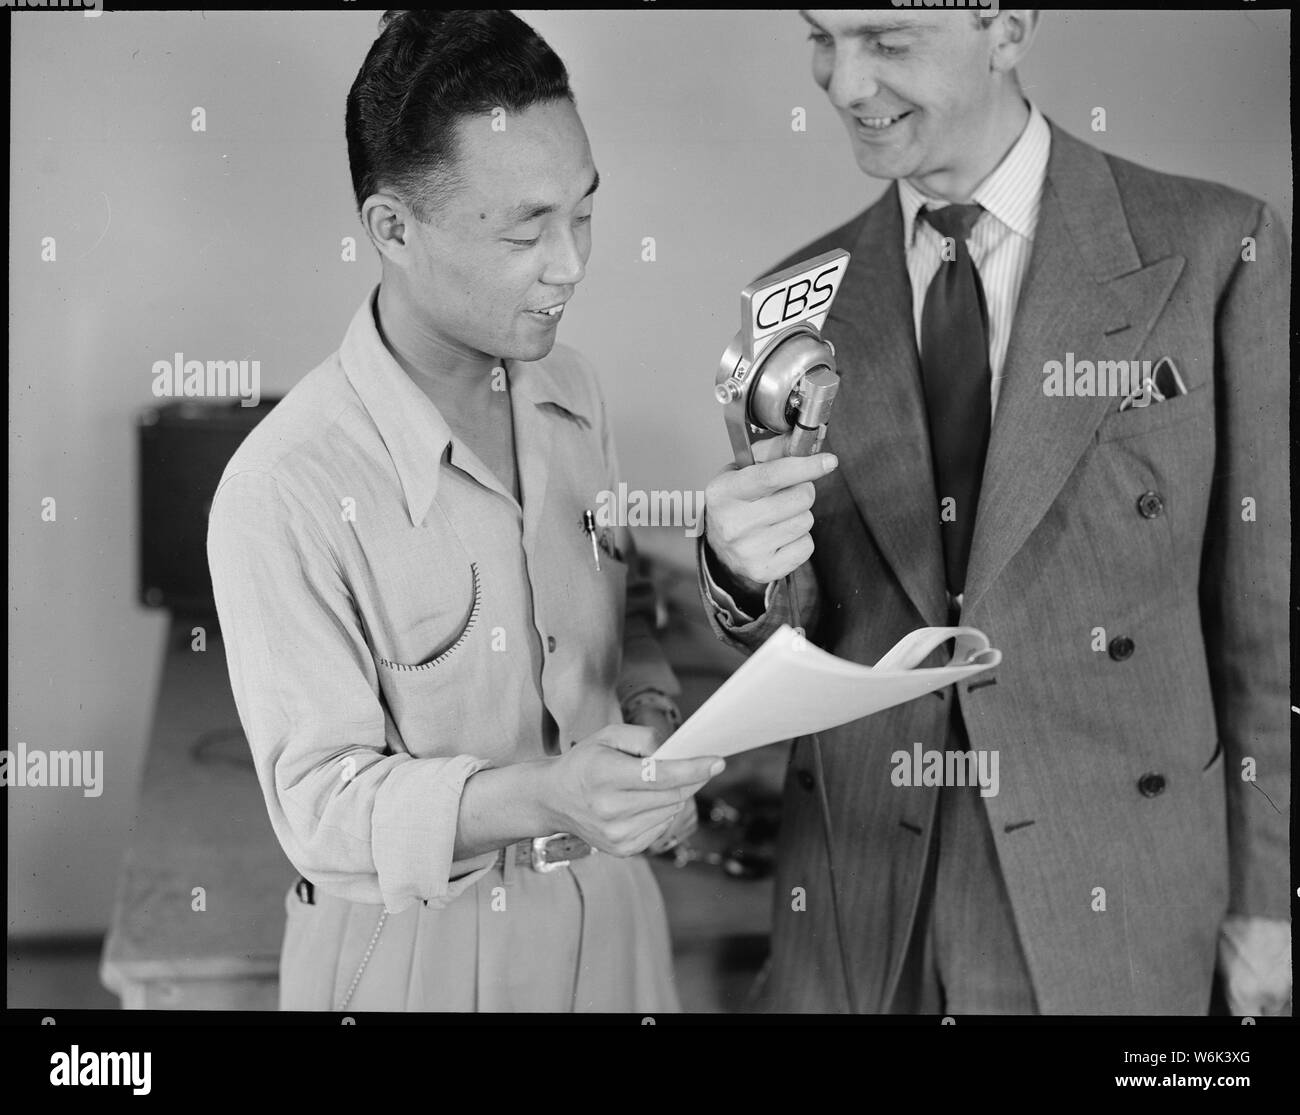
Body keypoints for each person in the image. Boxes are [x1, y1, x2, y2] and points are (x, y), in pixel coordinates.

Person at [699, 9, 1289, 1014]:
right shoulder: (788, 303)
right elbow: (801, 634)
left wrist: (1270, 901)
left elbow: (1268, 615)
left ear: (1006, 27)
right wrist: (738, 571)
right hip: (857, 896)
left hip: (1112, 882)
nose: (842, 84)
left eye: (884, 41)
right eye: (820, 38)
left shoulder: (1213, 247)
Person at [208, 8, 722, 1013]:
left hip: (610, 914)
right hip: (408, 952)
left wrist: (649, 730)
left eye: (582, 212)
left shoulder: (571, 390)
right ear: (392, 228)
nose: (571, 263)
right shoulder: (285, 486)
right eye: (527, 229)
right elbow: (319, 808)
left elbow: (622, 623)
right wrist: (549, 794)